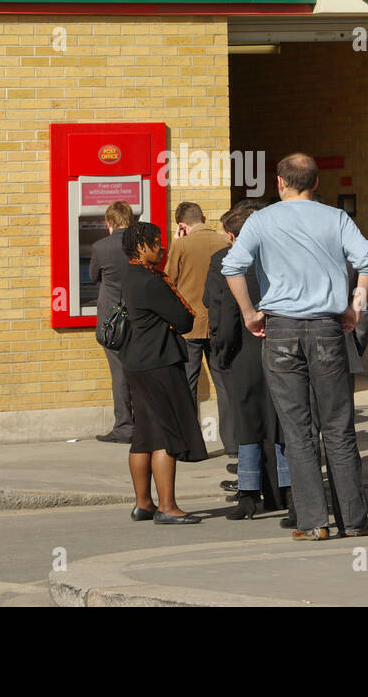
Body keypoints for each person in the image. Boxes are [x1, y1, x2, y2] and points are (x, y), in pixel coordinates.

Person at [220, 153, 368, 541]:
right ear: (316, 183)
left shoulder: (261, 220)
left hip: (280, 327)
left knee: (298, 429)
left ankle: (313, 521)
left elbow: (233, 267)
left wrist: (249, 313)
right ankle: (354, 519)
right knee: (339, 427)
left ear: (279, 182)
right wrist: (354, 307)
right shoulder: (336, 218)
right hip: (327, 326)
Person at [204, 200, 292, 523]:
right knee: (283, 420)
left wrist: (222, 352)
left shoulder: (225, 262)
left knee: (247, 423)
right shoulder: (280, 254)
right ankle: (290, 488)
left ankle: (248, 493)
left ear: (232, 235)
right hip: (281, 345)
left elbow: (222, 312)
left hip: (243, 349)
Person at [116, 221, 209, 524]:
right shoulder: (150, 280)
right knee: (165, 434)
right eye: (156, 243)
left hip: (135, 362)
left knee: (143, 434)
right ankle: (167, 506)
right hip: (158, 362)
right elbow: (183, 319)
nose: (162, 247)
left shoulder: (128, 274)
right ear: (141, 246)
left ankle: (144, 503)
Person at [165, 201, 236, 459]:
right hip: (219, 322)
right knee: (225, 384)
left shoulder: (181, 244)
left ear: (182, 225)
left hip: (190, 324)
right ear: (204, 217)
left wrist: (176, 242)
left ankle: (192, 447)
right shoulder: (224, 241)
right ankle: (234, 444)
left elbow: (168, 280)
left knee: (187, 386)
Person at [90, 201, 135, 444]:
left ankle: (124, 426)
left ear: (109, 222)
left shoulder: (100, 247)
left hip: (112, 320)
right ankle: (144, 425)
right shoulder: (140, 243)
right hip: (138, 316)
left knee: (119, 372)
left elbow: (93, 276)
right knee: (139, 370)